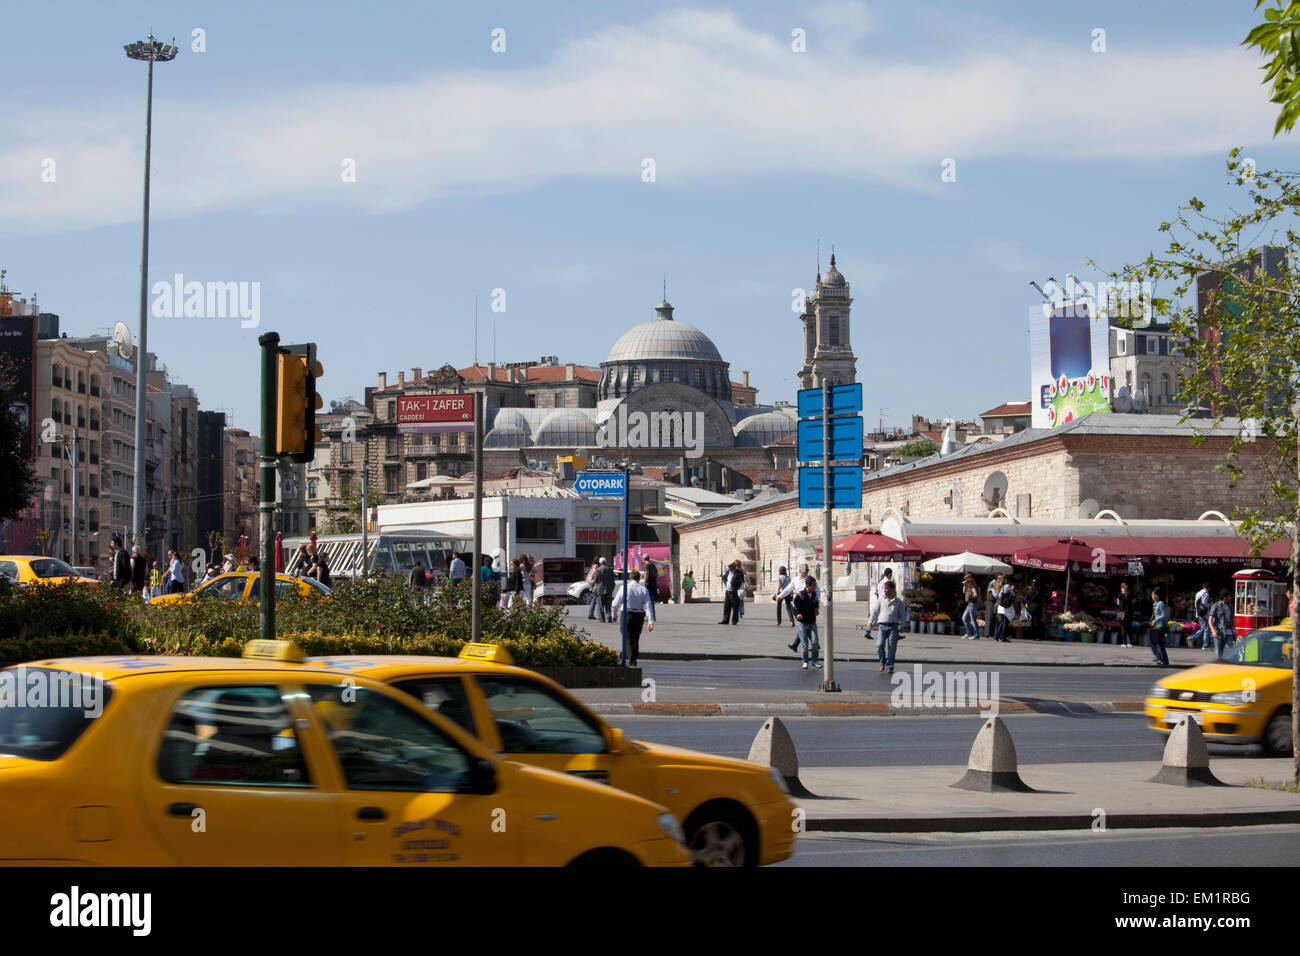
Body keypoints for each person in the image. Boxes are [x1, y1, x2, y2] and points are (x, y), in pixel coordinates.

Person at [611, 569, 655, 666]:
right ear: (639, 579)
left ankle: (631, 661)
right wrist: (650, 621)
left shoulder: (624, 587)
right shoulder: (644, 589)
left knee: (628, 638)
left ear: (630, 578)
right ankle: (633, 659)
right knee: (635, 639)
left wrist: (614, 615)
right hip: (639, 615)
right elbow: (648, 606)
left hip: (626, 614)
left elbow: (615, 604)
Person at [867, 579, 909, 675]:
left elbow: (903, 615)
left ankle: (890, 666)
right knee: (879, 645)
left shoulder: (898, 602)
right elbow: (875, 612)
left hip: (893, 627)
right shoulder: (881, 600)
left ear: (893, 589)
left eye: (887, 588)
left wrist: (903, 625)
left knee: (892, 647)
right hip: (882, 626)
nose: (885, 590)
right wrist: (870, 622)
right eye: (884, 589)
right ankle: (882, 661)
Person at [791, 575, 822, 670]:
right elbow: (794, 606)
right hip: (802, 624)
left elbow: (816, 604)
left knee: (815, 642)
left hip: (812, 622)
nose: (815, 587)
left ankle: (815, 660)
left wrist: (816, 610)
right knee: (805, 644)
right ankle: (805, 661)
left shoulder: (814, 595)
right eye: (814, 585)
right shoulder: (800, 595)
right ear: (808, 585)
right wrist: (797, 614)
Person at [1208, 588, 1234, 657]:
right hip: (1219, 632)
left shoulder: (1230, 606)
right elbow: (1210, 619)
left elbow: (1232, 619)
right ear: (1225, 597)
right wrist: (1213, 630)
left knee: (1230, 651)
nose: (1231, 598)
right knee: (1219, 653)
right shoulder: (1216, 606)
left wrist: (1233, 628)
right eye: (1229, 596)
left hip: (1229, 632)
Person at [1149, 587, 1170, 665]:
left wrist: (1155, 620)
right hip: (1156, 626)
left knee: (1159, 643)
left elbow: (1164, 615)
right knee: (1153, 642)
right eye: (1152, 594)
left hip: (1161, 625)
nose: (1152, 596)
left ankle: (1164, 660)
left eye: (1153, 594)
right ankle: (1159, 657)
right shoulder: (1155, 604)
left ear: (1157, 595)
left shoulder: (1161, 604)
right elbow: (1154, 614)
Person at [719, 561, 744, 625]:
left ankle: (734, 620)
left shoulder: (739, 572)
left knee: (735, 607)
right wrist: (726, 583)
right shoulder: (728, 572)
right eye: (729, 567)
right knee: (726, 606)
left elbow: (741, 581)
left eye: (730, 567)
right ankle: (725, 620)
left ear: (734, 567)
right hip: (728, 592)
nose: (729, 568)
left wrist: (734, 583)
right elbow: (723, 577)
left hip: (734, 592)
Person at [1191, 581, 1212, 650]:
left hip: (1199, 613)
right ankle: (1205, 645)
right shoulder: (1206, 593)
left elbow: (1196, 603)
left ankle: (1192, 638)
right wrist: (1210, 605)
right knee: (1207, 629)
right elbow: (1204, 603)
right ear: (1209, 588)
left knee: (1203, 629)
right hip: (1204, 614)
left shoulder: (1198, 593)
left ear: (1203, 587)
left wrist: (1197, 613)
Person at [994, 578, 1016, 642]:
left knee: (1002, 622)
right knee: (1005, 622)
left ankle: (997, 635)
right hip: (1006, 608)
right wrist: (1011, 589)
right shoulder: (1007, 586)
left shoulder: (999, 587)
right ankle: (1002, 637)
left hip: (1001, 607)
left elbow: (998, 596)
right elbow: (1013, 594)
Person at [595, 557, 616, 624]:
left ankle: (602, 619)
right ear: (605, 562)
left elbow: (596, 580)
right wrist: (611, 589)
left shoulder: (598, 570)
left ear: (600, 563)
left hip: (600, 590)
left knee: (601, 606)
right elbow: (613, 581)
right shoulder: (610, 569)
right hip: (609, 590)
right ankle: (609, 619)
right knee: (608, 606)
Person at [1115, 581, 1135, 648]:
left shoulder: (1120, 595)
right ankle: (1130, 643)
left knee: (1123, 627)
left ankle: (1124, 643)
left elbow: (1118, 603)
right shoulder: (1130, 594)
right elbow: (1133, 603)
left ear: (1121, 588)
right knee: (1129, 628)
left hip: (1122, 612)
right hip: (1129, 613)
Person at [961, 574, 981, 639]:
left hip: (973, 604)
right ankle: (968, 633)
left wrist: (970, 597)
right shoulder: (968, 586)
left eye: (966, 579)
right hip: (969, 604)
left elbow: (975, 595)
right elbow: (964, 592)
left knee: (973, 619)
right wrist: (964, 585)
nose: (965, 580)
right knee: (964, 618)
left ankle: (976, 635)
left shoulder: (973, 586)